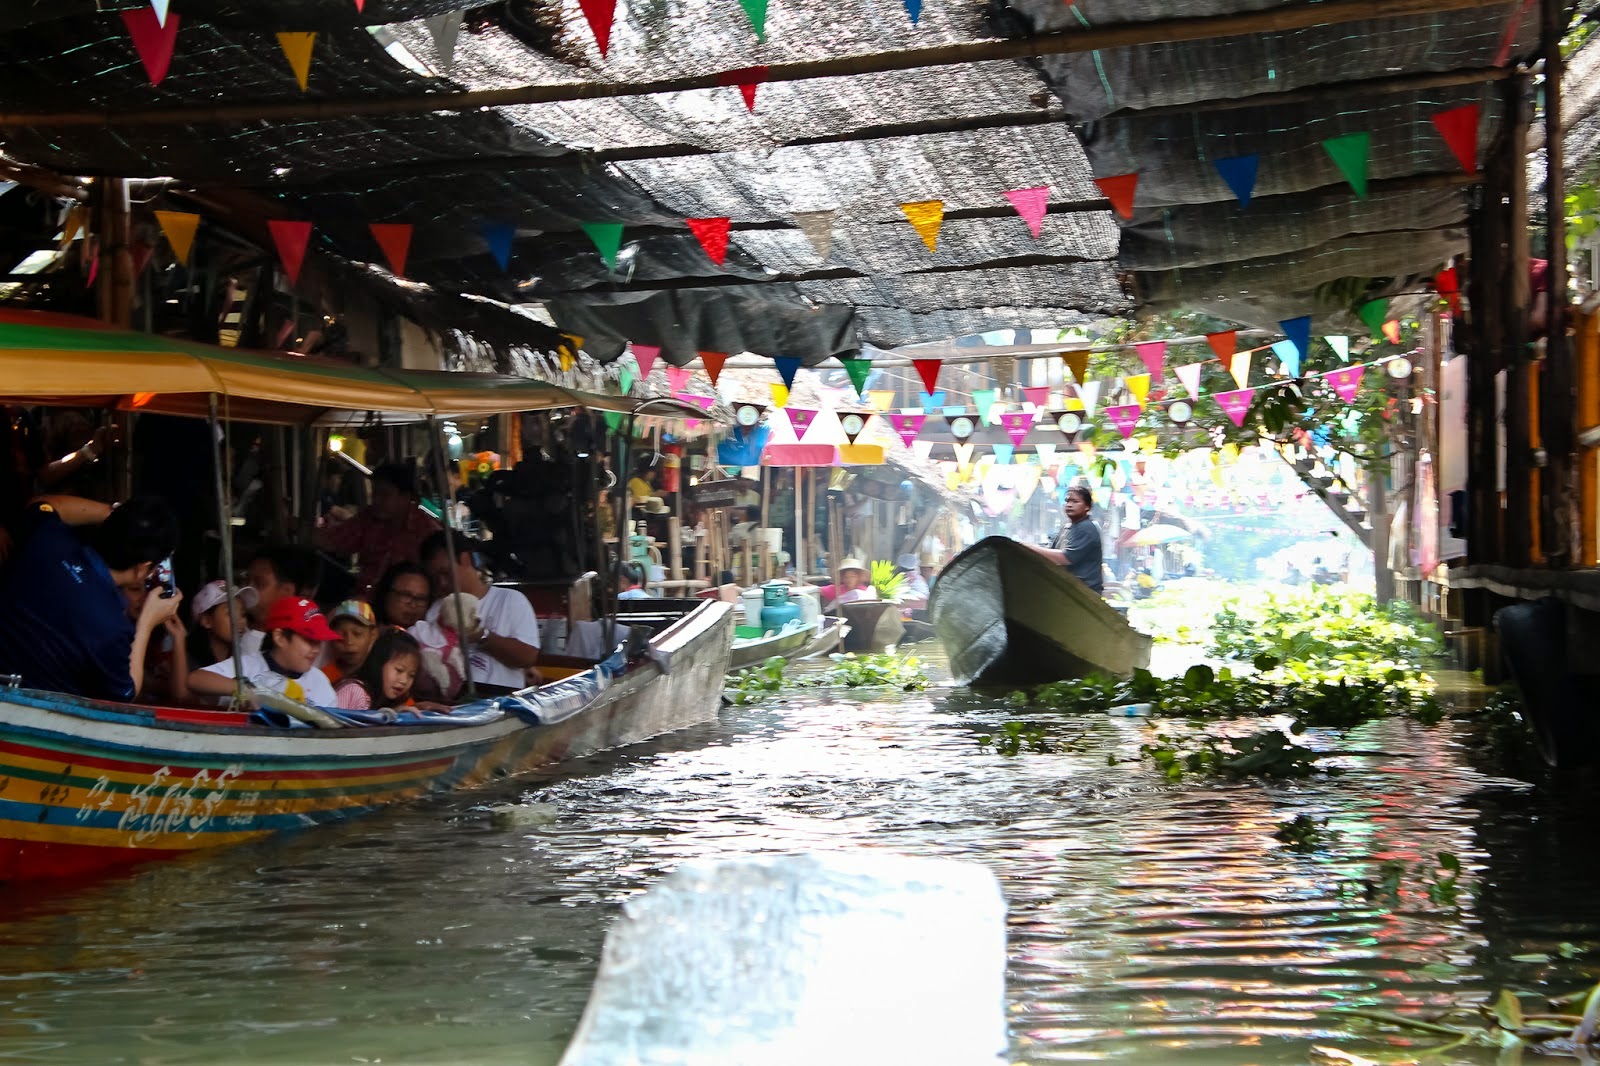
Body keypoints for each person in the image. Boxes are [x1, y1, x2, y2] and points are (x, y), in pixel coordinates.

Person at [0, 495, 182, 701]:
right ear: (142, 568)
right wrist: (146, 623)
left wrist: (118, 516)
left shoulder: (46, 538)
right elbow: (125, 693)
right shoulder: (112, 626)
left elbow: (40, 504)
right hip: (34, 712)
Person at [419, 531, 541, 690]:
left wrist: (481, 636)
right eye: (435, 578)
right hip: (452, 703)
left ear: (465, 559)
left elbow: (527, 657)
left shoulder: (510, 600)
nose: (442, 583)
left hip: (500, 701)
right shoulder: (436, 609)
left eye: (445, 573)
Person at [187, 596, 338, 706]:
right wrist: (248, 691)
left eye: (319, 641)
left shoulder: (320, 682)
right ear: (279, 637)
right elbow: (195, 679)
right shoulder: (247, 665)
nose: (316, 649)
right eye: (309, 640)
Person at [315, 462, 440, 595]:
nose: (376, 500)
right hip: (365, 600)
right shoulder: (369, 518)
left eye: (384, 494)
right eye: (374, 494)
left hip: (406, 603)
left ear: (406, 497)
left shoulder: (427, 531)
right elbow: (334, 540)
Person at [1026, 486, 1103, 595]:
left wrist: (1030, 548)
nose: (1069, 505)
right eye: (1067, 501)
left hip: (1084, 594)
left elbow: (1065, 558)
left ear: (1087, 507)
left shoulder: (1086, 528)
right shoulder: (1066, 528)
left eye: (1075, 501)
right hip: (1068, 589)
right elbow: (1049, 554)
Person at [334, 628, 423, 711]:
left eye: (411, 675)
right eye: (399, 670)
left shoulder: (397, 702)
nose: (404, 681)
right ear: (379, 663)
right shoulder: (355, 691)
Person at [189, 579, 258, 667]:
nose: (241, 621)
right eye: (230, 613)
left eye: (243, 614)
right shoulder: (189, 661)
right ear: (207, 621)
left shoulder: (247, 652)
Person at [325, 600, 379, 685]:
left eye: (357, 634)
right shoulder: (322, 678)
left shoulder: (381, 678)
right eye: (340, 635)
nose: (349, 642)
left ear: (373, 635)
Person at [373, 561, 433, 629]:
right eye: (406, 595)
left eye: (421, 599)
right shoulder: (364, 631)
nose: (413, 605)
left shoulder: (430, 638)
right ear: (387, 594)